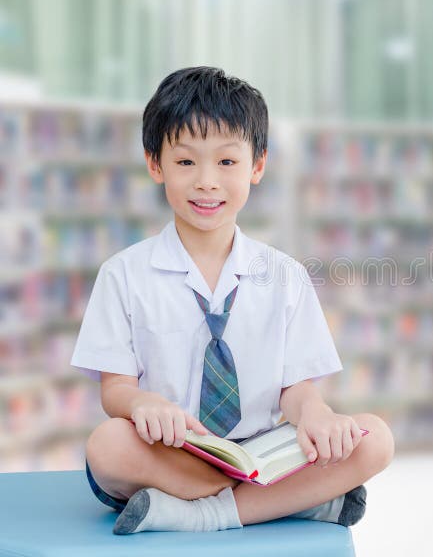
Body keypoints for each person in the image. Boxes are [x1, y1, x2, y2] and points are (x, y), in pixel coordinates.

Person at [70, 66, 394, 535]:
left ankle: (206, 514)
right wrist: (143, 405)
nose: (206, 182)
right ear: (154, 164)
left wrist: (319, 416)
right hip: (174, 454)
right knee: (107, 447)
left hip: (263, 451)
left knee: (374, 440)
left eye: (226, 162)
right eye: (186, 163)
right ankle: (287, 503)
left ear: (257, 166)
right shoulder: (123, 274)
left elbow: (297, 391)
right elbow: (114, 390)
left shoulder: (286, 276)